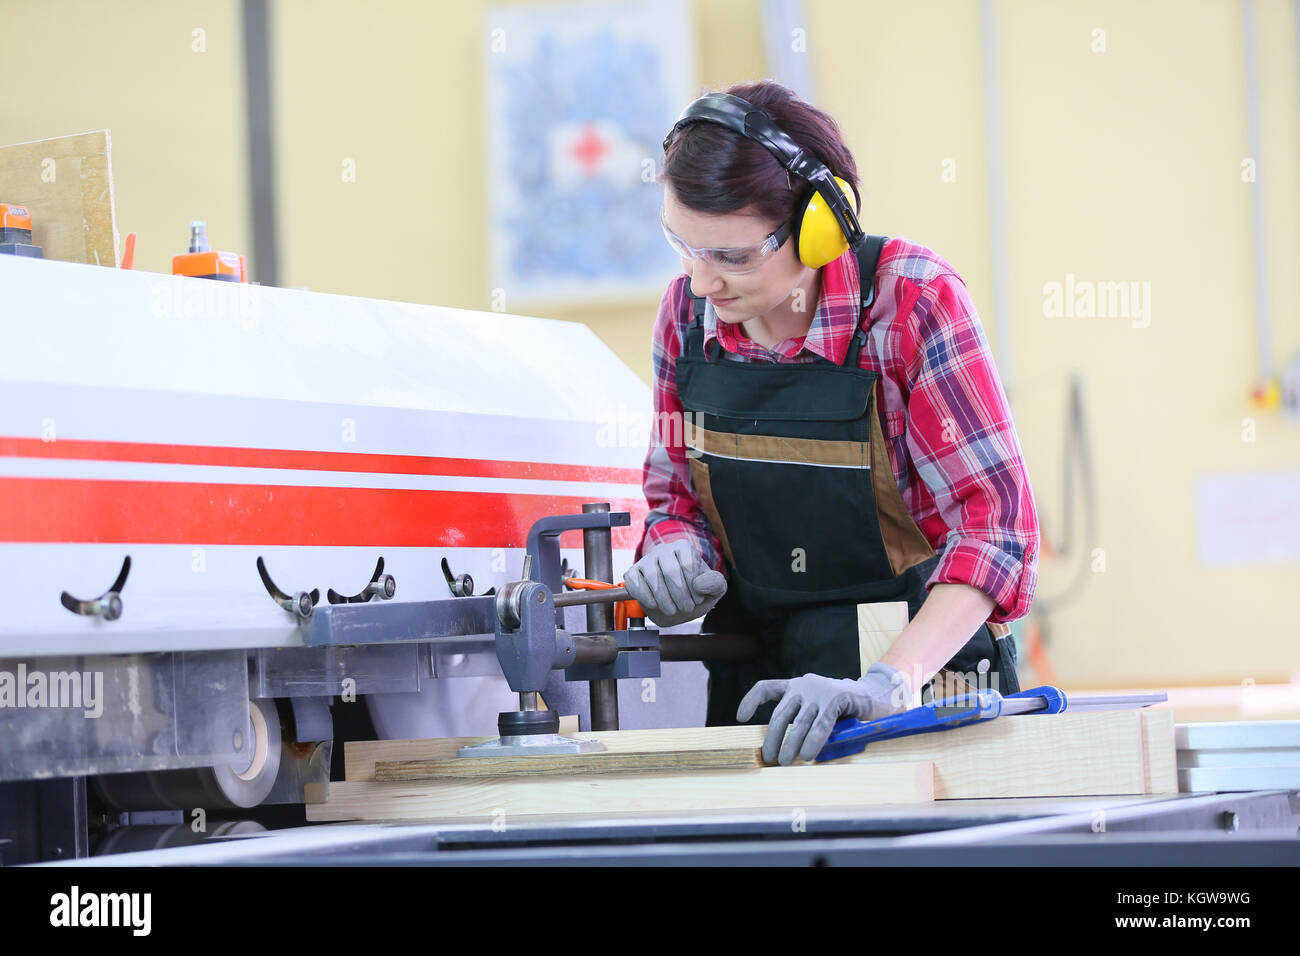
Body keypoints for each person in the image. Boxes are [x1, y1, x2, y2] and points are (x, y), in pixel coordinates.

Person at [622, 80, 1040, 766]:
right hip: (758, 681)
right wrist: (674, 555)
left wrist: (885, 684)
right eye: (683, 246)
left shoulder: (910, 303)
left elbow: (995, 533)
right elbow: (679, 501)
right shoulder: (686, 318)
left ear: (820, 226)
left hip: (916, 676)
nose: (701, 283)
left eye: (732, 256)